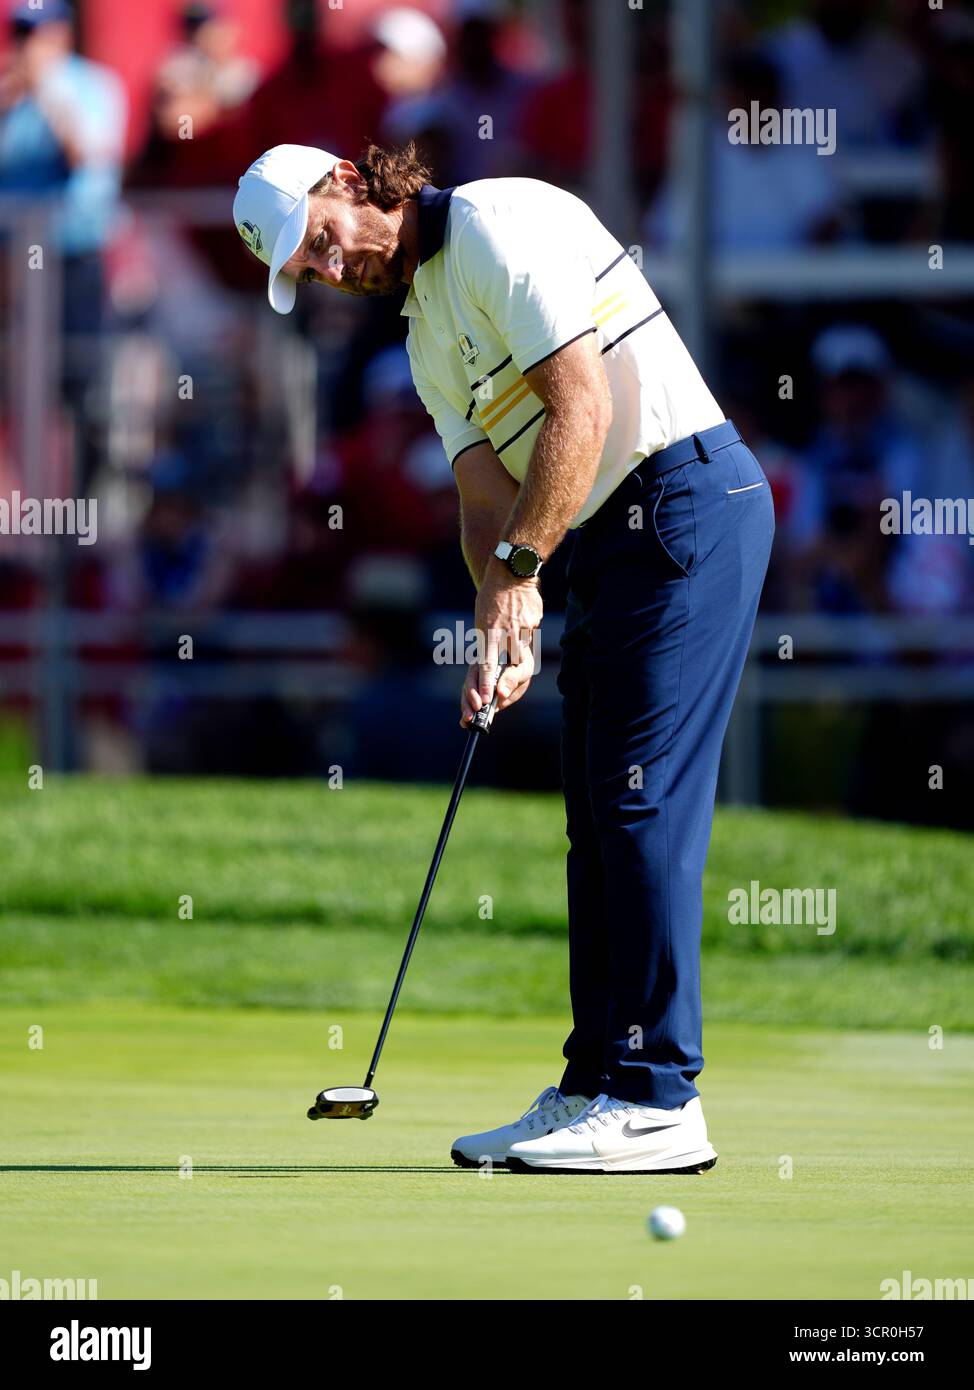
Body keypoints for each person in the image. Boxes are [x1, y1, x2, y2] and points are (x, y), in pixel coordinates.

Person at [231, 141, 775, 1173]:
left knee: (638, 801)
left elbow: (583, 407)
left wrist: (520, 570)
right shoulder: (423, 326)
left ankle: (659, 1097)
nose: (329, 271)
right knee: (594, 810)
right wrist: (499, 610)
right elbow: (483, 497)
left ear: (346, 181)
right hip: (611, 539)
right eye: (310, 271)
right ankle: (594, 1083)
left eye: (323, 243)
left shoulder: (490, 222)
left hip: (686, 503)